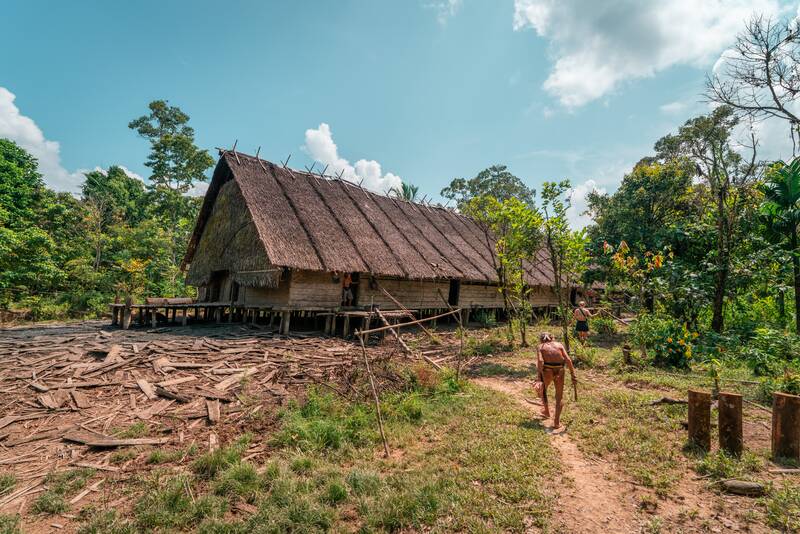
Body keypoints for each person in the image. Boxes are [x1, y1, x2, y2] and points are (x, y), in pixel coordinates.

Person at [536, 332, 576, 429]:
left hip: (547, 371)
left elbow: (540, 361)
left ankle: (546, 411)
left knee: (542, 390)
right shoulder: (559, 345)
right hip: (560, 371)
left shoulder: (540, 346)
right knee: (559, 397)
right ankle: (556, 422)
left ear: (541, 340)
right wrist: (573, 375)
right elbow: (568, 360)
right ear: (552, 338)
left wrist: (538, 377)